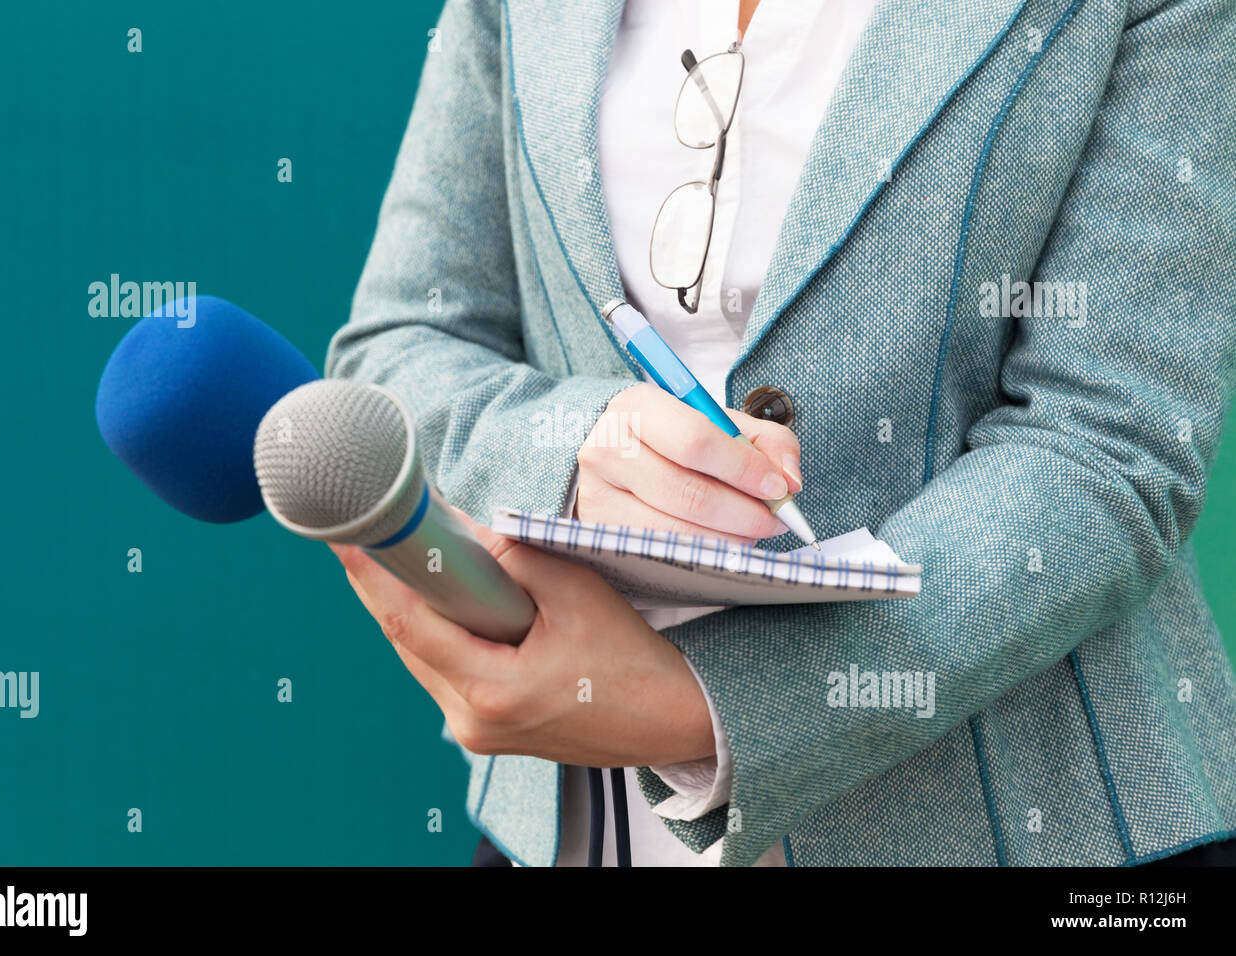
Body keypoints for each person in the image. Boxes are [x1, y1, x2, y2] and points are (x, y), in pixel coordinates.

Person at [325, 0, 1236, 866]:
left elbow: (1110, 440)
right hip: (577, 827)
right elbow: (401, 344)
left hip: (1023, 822)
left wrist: (709, 710)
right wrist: (574, 447)